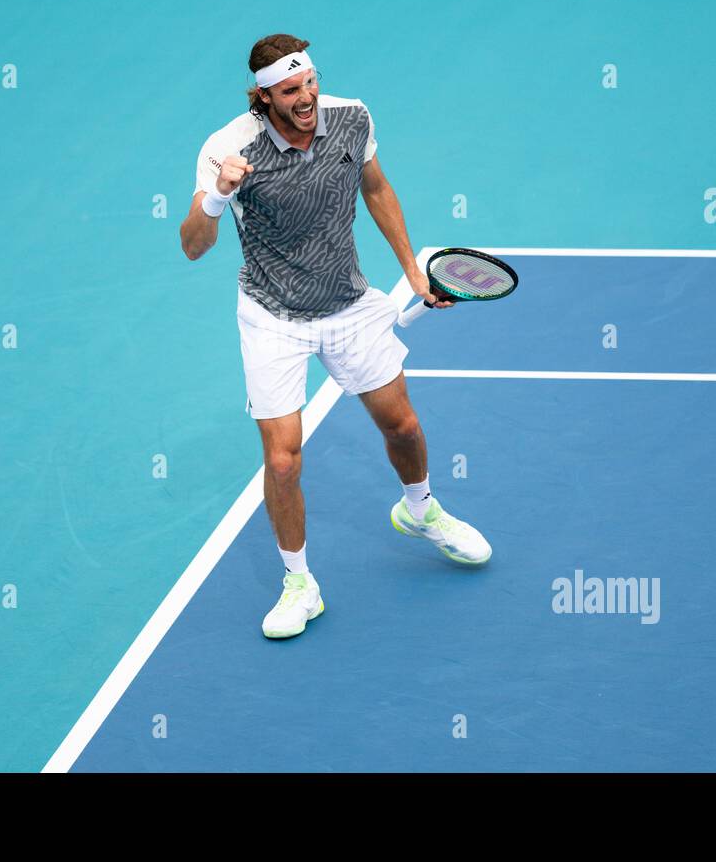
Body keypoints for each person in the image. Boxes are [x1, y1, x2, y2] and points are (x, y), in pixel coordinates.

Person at [179, 33, 491, 639]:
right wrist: (219, 194)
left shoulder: (352, 118)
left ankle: (420, 510)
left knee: (402, 426)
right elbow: (193, 246)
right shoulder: (226, 149)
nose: (307, 98)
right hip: (273, 316)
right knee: (283, 459)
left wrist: (410, 272)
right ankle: (299, 583)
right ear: (263, 97)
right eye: (291, 90)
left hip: (349, 305)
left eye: (311, 83)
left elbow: (375, 188)